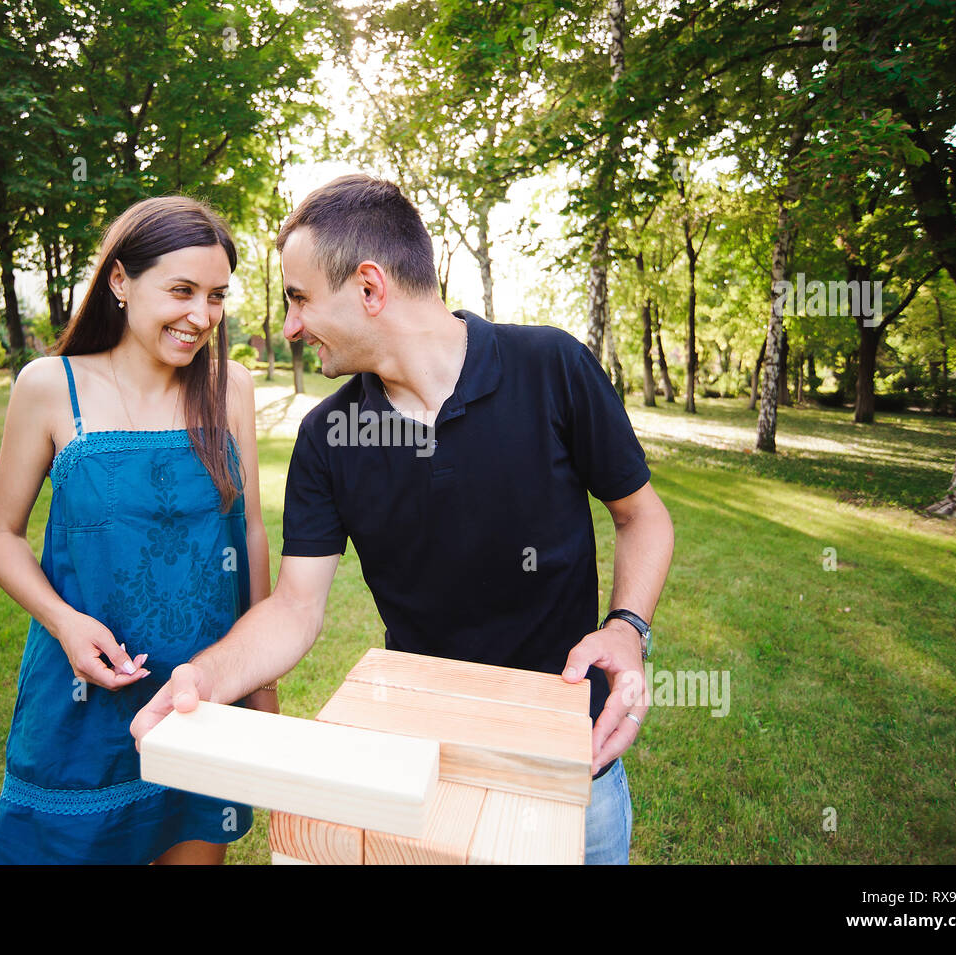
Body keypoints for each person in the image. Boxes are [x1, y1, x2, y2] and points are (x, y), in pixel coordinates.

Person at [130, 175, 674, 865]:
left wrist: (627, 630)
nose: (290, 325)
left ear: (369, 287)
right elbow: (296, 607)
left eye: (299, 299)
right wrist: (203, 678)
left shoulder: (552, 366)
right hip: (419, 769)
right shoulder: (329, 438)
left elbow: (643, 517)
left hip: (571, 765)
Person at [0, 195, 274, 864]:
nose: (202, 316)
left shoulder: (232, 388)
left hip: (201, 696)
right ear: (120, 281)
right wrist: (62, 620)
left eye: (217, 296)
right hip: (82, 702)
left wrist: (259, 679)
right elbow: (2, 535)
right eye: (182, 290)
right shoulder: (49, 385)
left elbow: (251, 532)